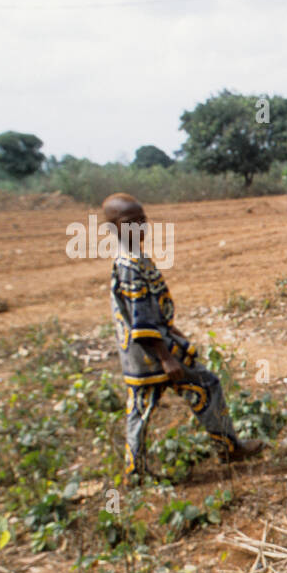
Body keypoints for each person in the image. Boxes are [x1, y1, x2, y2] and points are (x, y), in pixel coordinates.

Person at [104, 192, 263, 480]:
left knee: (140, 409)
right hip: (151, 352)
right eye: (131, 222)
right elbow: (141, 317)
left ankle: (134, 470)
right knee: (206, 384)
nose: (140, 227)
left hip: (143, 352)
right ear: (113, 228)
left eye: (142, 220)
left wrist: (173, 330)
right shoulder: (129, 265)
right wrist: (166, 358)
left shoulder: (134, 257)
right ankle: (229, 448)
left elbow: (151, 307)